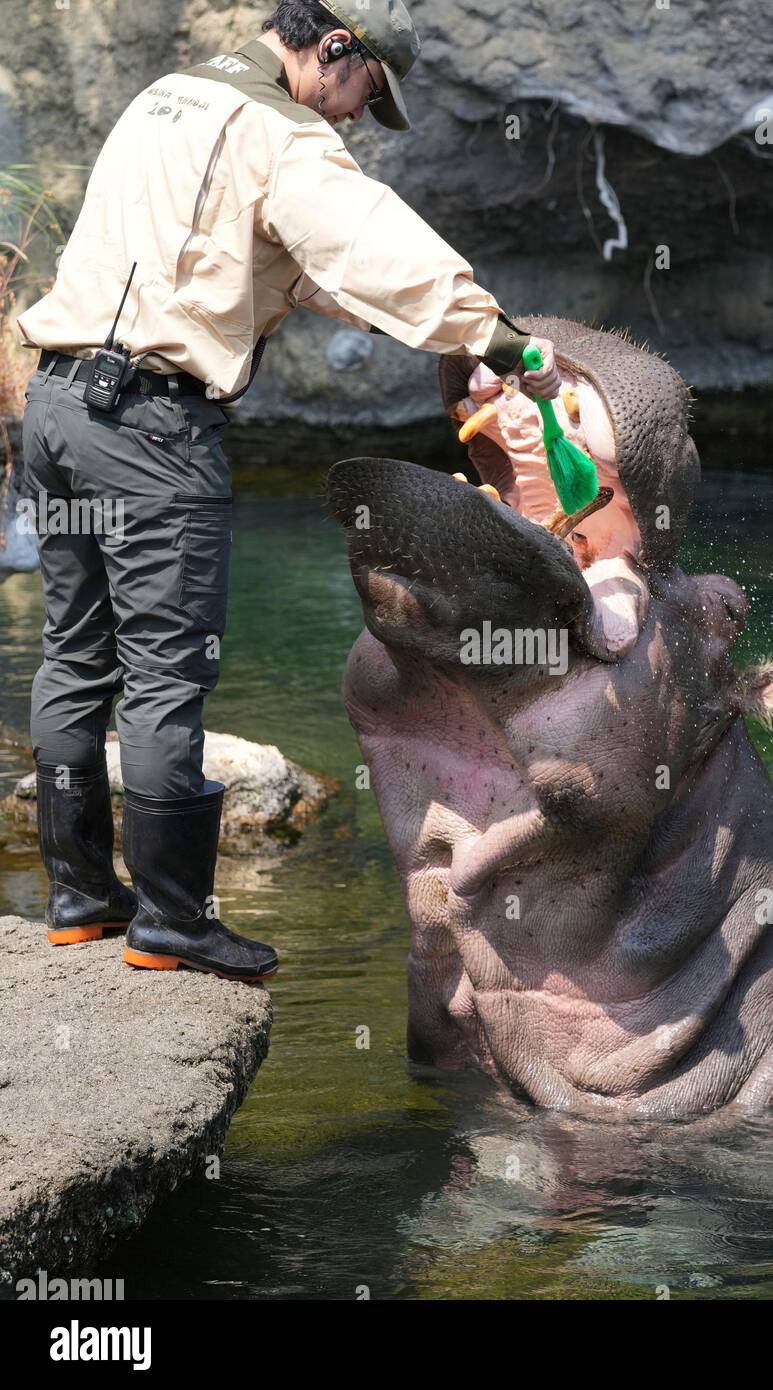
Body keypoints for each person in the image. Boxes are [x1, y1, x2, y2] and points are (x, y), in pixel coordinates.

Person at [15, 0, 561, 983]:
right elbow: (364, 242)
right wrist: (495, 338)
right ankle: (173, 918)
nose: (356, 118)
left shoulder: (165, 102)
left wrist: (428, 341)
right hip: (150, 425)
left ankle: (80, 898)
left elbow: (285, 264)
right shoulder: (281, 131)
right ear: (331, 48)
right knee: (165, 677)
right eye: (363, 95)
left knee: (74, 655)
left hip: (57, 406)